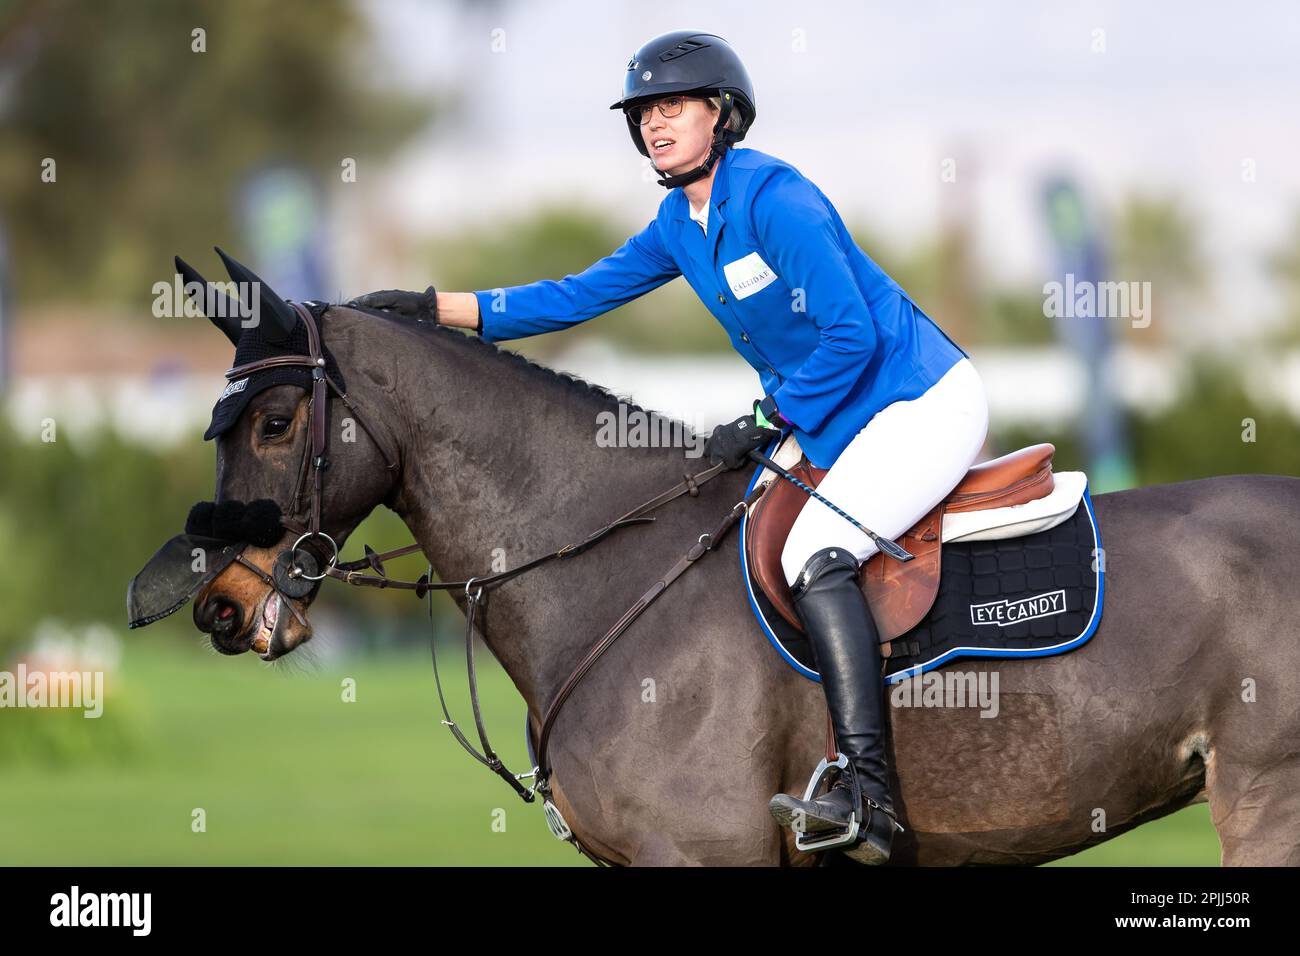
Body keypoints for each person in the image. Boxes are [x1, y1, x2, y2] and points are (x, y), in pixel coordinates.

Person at [349, 29, 989, 864]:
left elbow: (852, 335)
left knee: (819, 553)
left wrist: (770, 417)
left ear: (722, 115)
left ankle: (869, 792)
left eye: (673, 106)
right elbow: (575, 296)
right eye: (645, 112)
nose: (656, 124)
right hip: (834, 417)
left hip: (917, 402)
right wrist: (438, 309)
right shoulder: (678, 223)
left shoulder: (775, 200)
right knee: (725, 539)